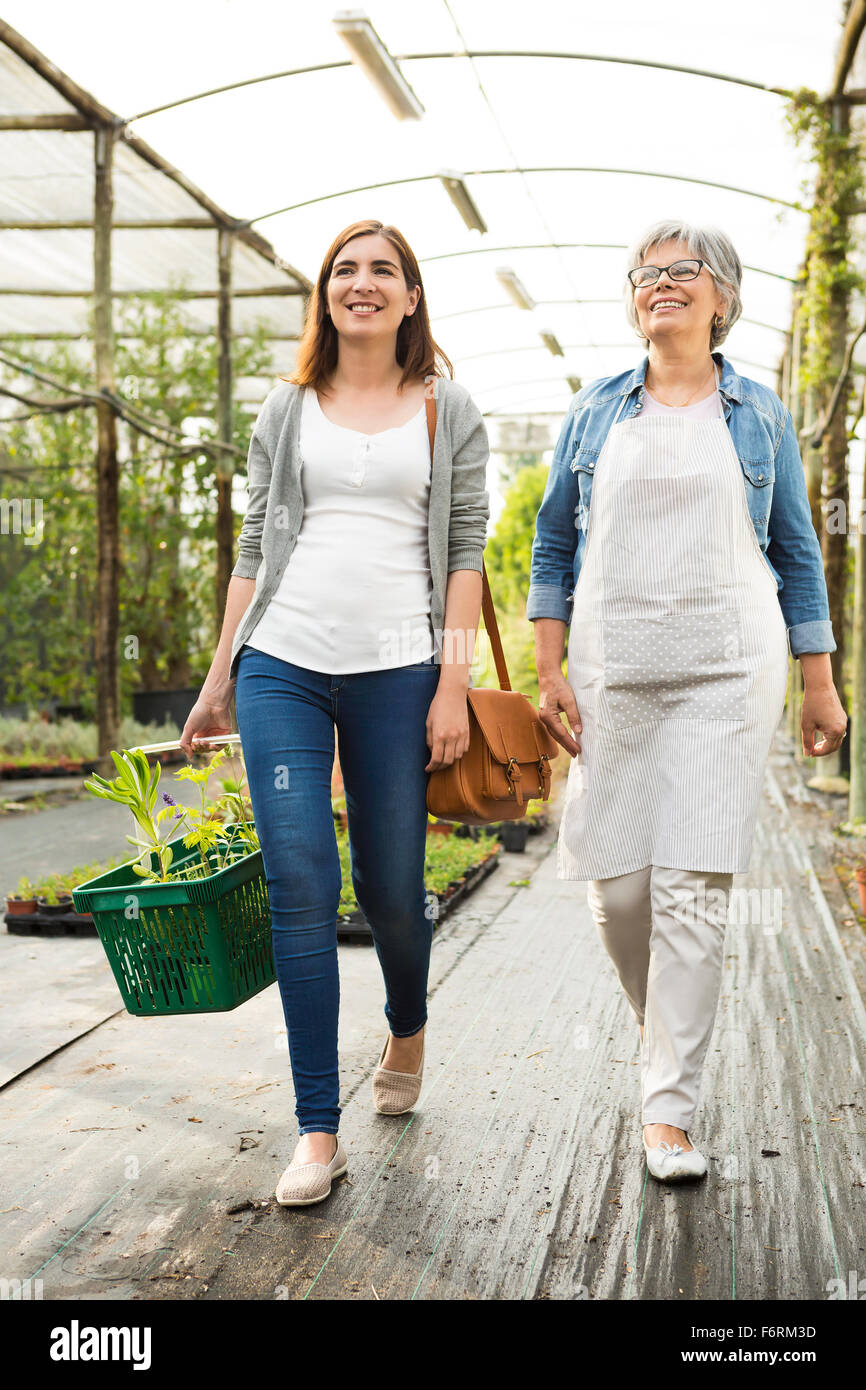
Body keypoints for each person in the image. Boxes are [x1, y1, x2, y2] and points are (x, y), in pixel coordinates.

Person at [527, 219, 846, 1182]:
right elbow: (551, 550)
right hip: (613, 669)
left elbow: (795, 551)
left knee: (693, 889)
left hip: (725, 668)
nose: (662, 284)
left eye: (684, 272)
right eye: (646, 273)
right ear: (634, 301)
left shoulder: (758, 414)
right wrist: (548, 671)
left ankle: (669, 1110)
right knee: (619, 890)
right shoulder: (594, 412)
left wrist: (821, 681)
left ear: (722, 297)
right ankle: (658, 1025)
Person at [180, 219, 489, 1205]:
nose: (361, 284)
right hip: (284, 664)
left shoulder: (446, 407)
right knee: (300, 882)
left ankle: (407, 1021)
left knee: (392, 888)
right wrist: (219, 674)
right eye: (343, 270)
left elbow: (466, 549)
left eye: (381, 271)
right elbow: (251, 547)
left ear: (408, 297)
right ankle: (317, 1128)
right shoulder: (286, 406)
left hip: (400, 668)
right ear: (324, 295)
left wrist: (452, 680)